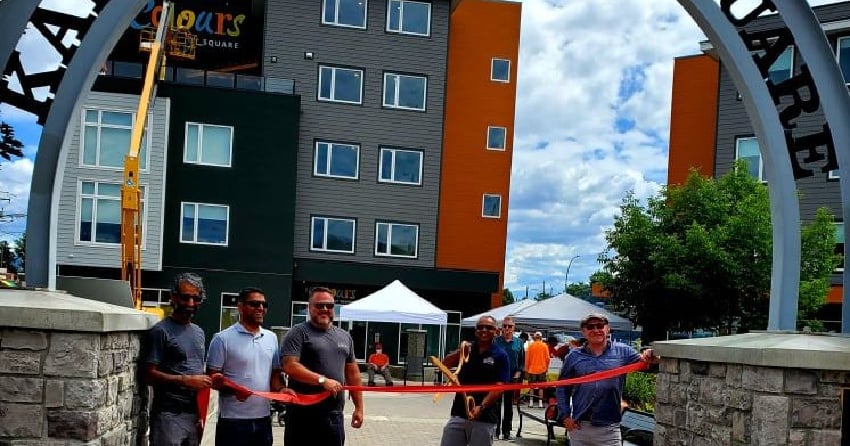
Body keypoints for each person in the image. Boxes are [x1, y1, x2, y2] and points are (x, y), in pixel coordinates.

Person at [555, 313, 657, 446]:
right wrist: (565, 416)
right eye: (590, 327)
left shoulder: (623, 352)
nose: (596, 330)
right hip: (579, 427)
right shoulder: (574, 356)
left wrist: (651, 354)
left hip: (609, 428)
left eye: (600, 326)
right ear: (584, 332)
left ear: (607, 329)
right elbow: (562, 387)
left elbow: (648, 364)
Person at [207, 287, 291, 446]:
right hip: (233, 421)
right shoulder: (222, 339)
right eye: (254, 304)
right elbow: (212, 377)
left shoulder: (271, 338)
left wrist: (281, 390)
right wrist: (234, 390)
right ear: (240, 307)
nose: (261, 308)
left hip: (263, 420)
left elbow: (274, 374)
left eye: (264, 305)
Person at [281, 287, 364, 446]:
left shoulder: (344, 336)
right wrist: (322, 380)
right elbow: (290, 366)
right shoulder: (298, 333)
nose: (325, 309)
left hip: (333, 416)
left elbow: (353, 375)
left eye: (329, 305)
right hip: (302, 416)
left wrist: (359, 408)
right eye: (319, 305)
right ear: (309, 307)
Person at [144, 272, 212, 446]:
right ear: (173, 297)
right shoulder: (160, 331)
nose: (190, 303)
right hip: (168, 416)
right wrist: (185, 380)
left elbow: (196, 370)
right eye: (185, 297)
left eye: (196, 298)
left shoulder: (199, 332)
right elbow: (148, 375)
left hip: (194, 416)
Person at [439, 315, 510, 446]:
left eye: (488, 327)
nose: (484, 330)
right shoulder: (468, 349)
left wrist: (481, 407)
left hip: (484, 417)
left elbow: (499, 387)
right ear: (475, 330)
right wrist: (459, 352)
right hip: (459, 413)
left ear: (496, 331)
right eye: (480, 327)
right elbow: (444, 365)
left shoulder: (500, 355)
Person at [493, 315, 524, 441]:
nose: (507, 328)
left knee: (508, 406)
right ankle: (495, 431)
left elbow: (522, 362)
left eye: (509, 326)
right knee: (496, 405)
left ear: (514, 328)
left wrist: (519, 372)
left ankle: (506, 431)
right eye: (504, 326)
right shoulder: (496, 341)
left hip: (512, 378)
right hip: (498, 377)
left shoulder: (519, 342)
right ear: (501, 328)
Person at [524, 331, 550, 408]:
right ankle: (540, 403)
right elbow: (548, 358)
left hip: (532, 369)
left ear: (534, 337)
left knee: (531, 386)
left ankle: (531, 403)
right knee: (541, 387)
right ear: (541, 338)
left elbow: (527, 359)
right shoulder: (544, 346)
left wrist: (526, 369)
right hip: (542, 369)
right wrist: (546, 367)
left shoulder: (530, 346)